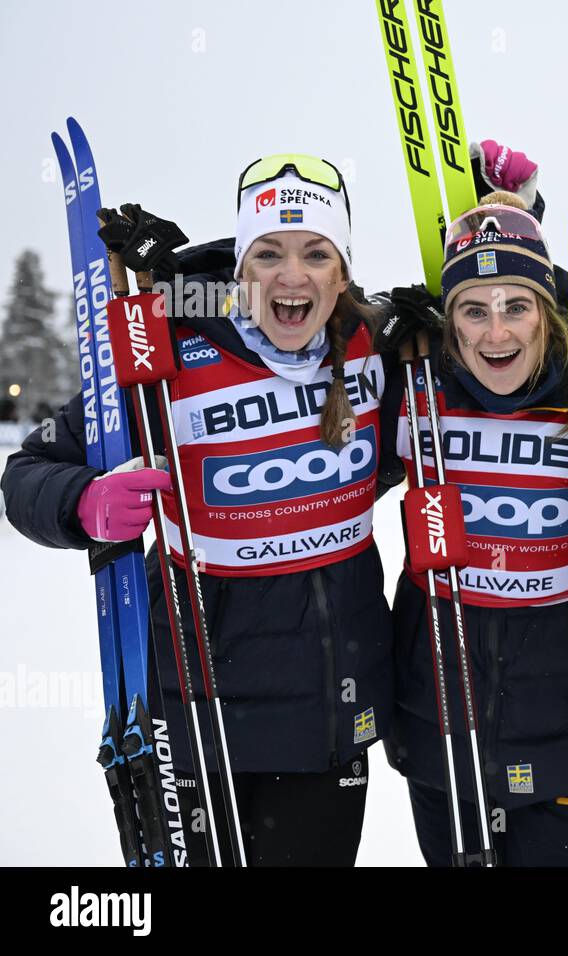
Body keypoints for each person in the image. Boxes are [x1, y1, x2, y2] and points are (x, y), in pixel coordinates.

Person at [2, 154, 396, 866]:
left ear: (342, 272)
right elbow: (26, 474)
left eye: (316, 253)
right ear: (242, 268)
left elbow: (493, 352)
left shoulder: (377, 353)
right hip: (196, 711)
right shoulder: (171, 360)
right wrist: (83, 502)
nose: (291, 275)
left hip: (330, 715)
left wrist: (506, 216)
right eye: (268, 253)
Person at [381, 175, 568, 866]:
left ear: (548, 311)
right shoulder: (413, 389)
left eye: (517, 306)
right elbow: (303, 343)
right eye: (473, 311)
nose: (497, 330)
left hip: (567, 733)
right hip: (439, 724)